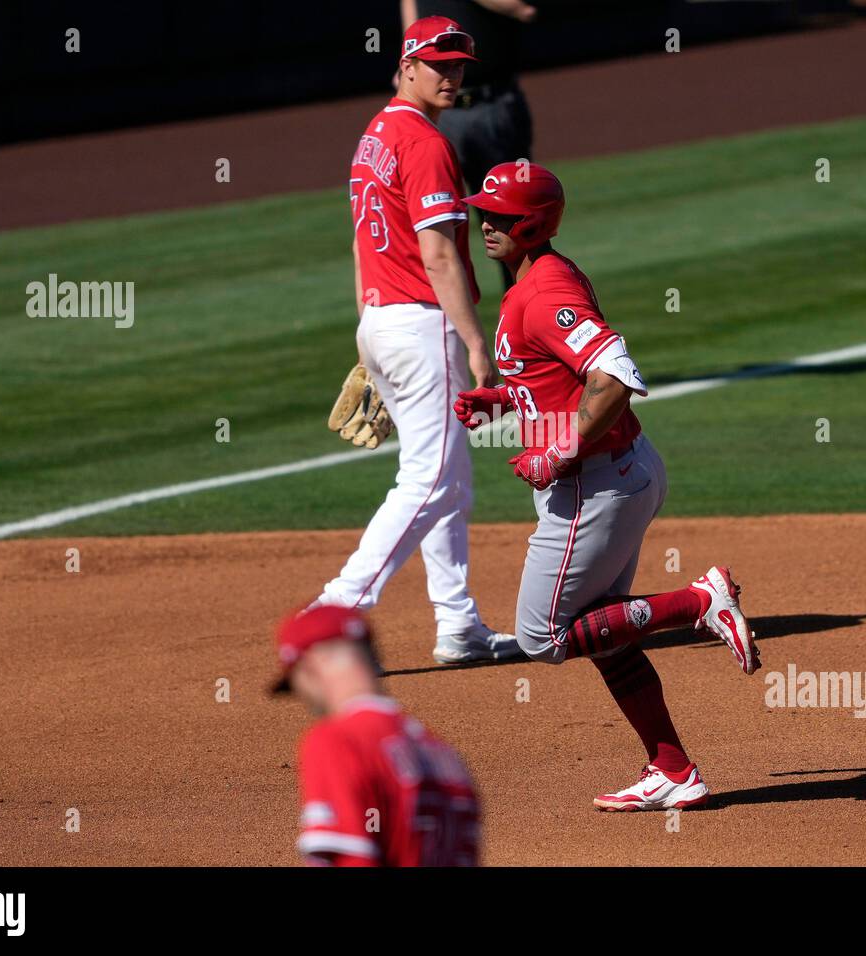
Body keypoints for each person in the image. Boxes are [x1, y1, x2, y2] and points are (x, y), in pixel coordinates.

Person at [453, 162, 763, 811]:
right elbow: (559, 375)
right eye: (483, 212)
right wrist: (507, 402)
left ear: (532, 222)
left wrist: (559, 448)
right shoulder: (539, 281)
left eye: (499, 216)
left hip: (595, 489)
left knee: (544, 637)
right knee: (604, 632)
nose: (486, 225)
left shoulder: (542, 292)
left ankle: (700, 601)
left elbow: (616, 376)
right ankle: (674, 770)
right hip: (622, 475)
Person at [314, 15, 521, 665]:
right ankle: (334, 612)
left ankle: (457, 622)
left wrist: (366, 334)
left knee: (452, 480)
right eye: (439, 64)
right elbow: (437, 254)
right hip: (420, 323)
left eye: (459, 65)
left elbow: (359, 243)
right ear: (406, 65)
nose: (452, 75)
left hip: (383, 320)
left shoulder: (374, 135)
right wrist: (476, 340)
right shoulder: (424, 142)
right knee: (430, 480)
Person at [272, 604, 481, 866]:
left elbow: (351, 859)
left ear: (313, 664)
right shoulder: (444, 757)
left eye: (295, 682)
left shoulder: (338, 741)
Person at [401, 0, 538, 289]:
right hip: (438, 112)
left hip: (492, 102)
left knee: (512, 223)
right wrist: (407, 60)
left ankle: (525, 322)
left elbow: (524, 8)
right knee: (430, 226)